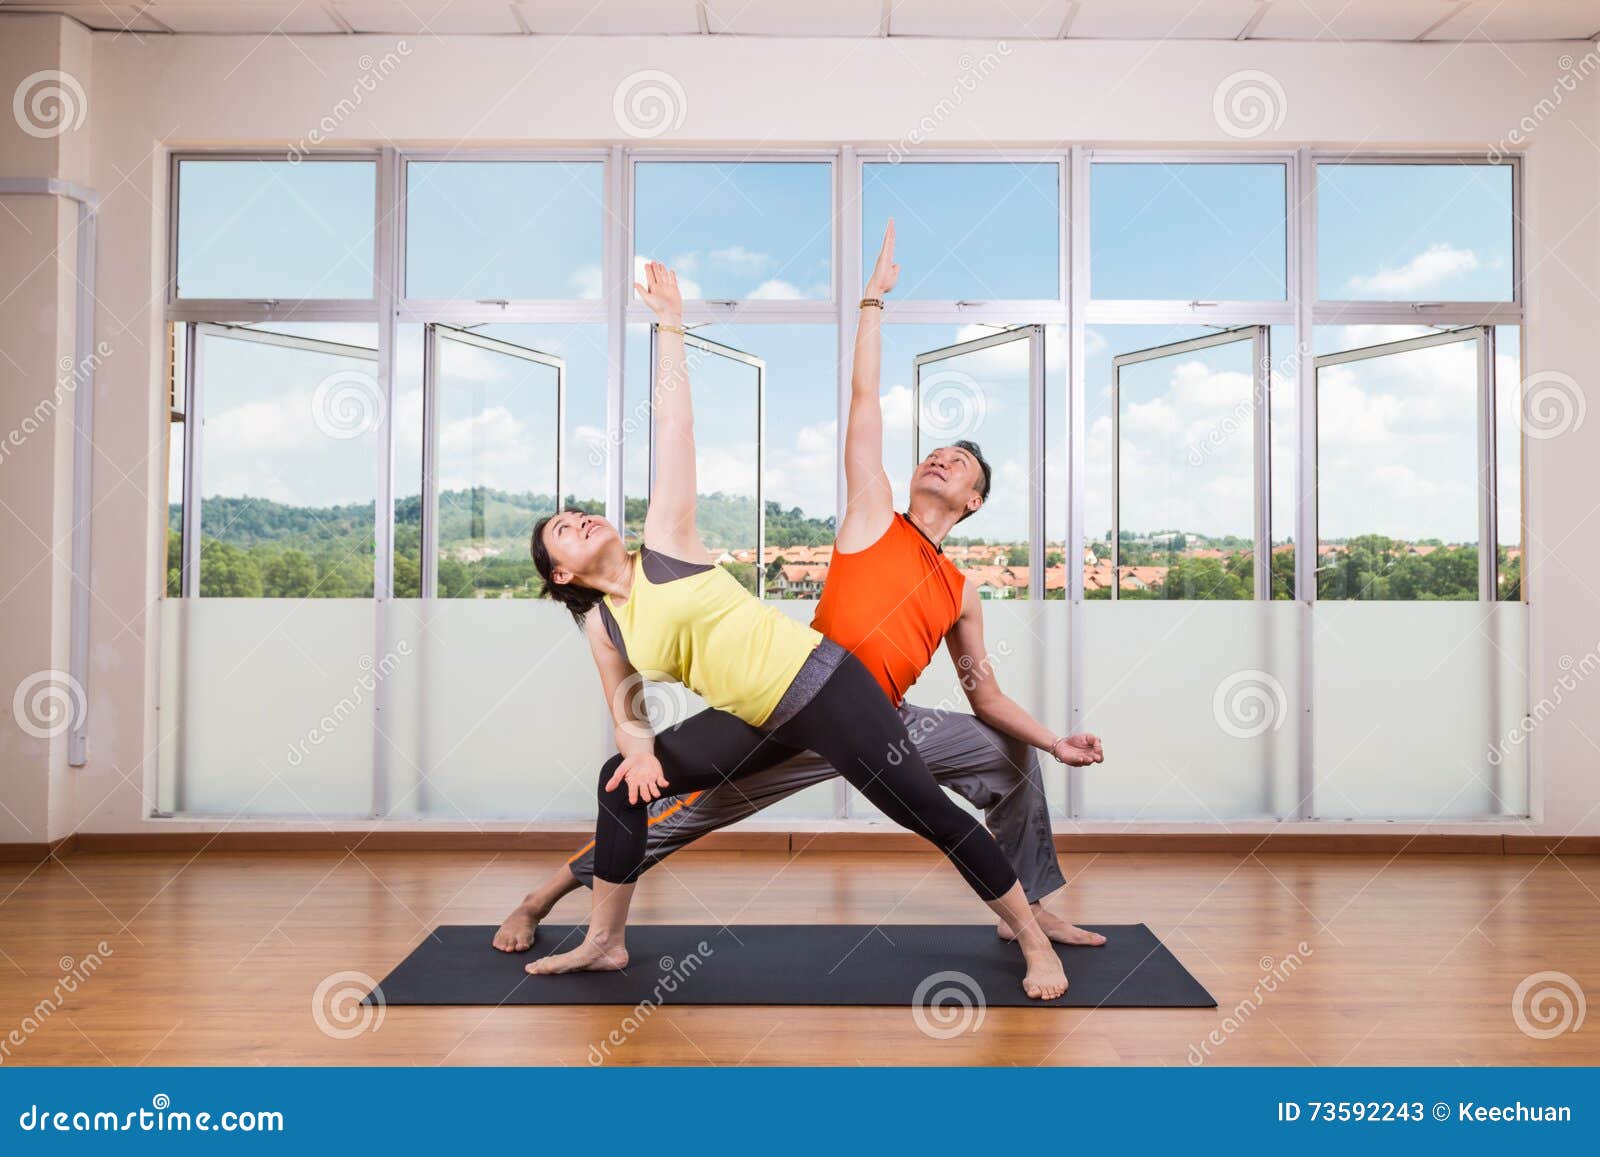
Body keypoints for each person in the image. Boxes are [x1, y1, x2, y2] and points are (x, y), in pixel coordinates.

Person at [498, 223, 1107, 957]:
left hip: (883, 718)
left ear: (974, 500)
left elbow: (986, 695)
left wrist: (1055, 740)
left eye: (960, 463)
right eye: (936, 453)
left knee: (1009, 757)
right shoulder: (873, 515)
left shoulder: (963, 591)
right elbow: (864, 402)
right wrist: (872, 303)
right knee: (673, 812)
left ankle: (1029, 912)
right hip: (797, 703)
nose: (942, 459)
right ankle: (545, 900)